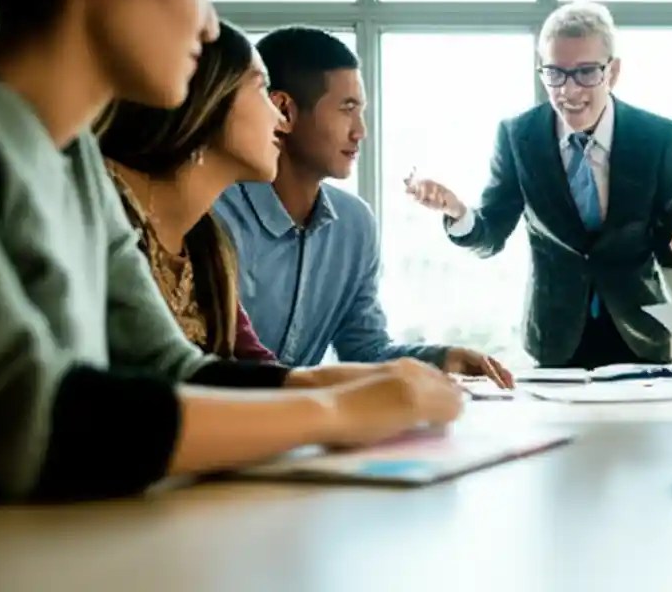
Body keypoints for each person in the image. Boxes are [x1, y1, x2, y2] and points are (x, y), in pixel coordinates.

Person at [0, 0, 462, 502]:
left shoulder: (76, 163)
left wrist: (354, 388)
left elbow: (172, 370)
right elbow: (30, 420)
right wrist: (336, 414)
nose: (211, 28)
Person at [407, 1, 672, 369]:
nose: (568, 89)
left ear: (613, 71)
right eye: (555, 74)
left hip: (639, 336)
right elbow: (492, 232)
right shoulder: (519, 136)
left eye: (585, 72)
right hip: (554, 338)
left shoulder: (658, 137)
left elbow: (670, 245)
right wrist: (458, 212)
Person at [213, 27, 513, 387]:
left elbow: (365, 350)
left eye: (362, 111)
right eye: (347, 109)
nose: (360, 131)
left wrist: (440, 359)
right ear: (283, 111)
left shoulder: (355, 224)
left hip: (306, 427)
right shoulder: (214, 218)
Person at [95, 21, 281, 361]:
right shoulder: (99, 203)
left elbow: (256, 369)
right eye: (261, 88)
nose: (281, 119)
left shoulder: (208, 243)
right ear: (208, 95)